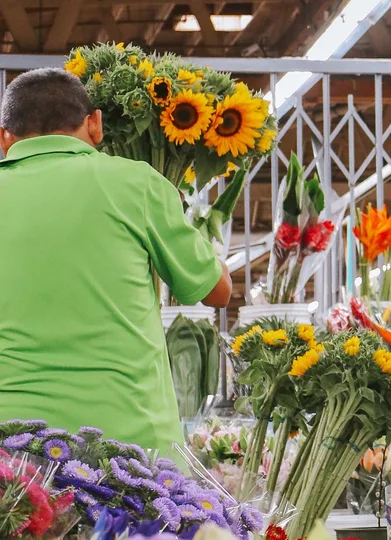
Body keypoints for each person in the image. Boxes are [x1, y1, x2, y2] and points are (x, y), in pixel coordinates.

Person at [0, 67, 231, 455]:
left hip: (13, 449)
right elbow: (217, 292)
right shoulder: (137, 183)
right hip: (130, 450)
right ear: (95, 123)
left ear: (4, 138)